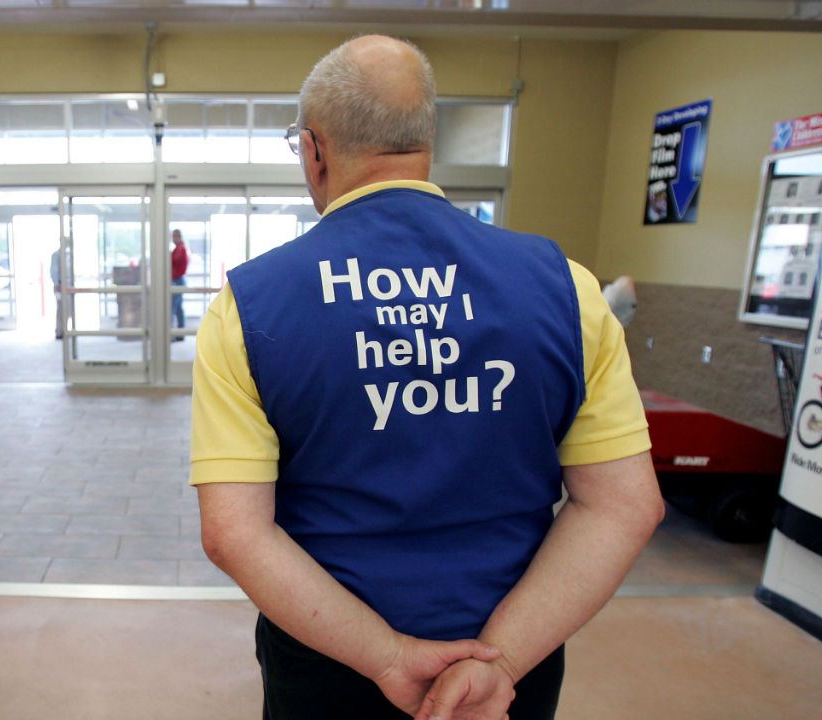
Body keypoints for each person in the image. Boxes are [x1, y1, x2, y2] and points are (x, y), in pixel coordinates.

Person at [190, 35, 664, 720]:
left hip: (330, 667)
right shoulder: (568, 290)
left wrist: (388, 656)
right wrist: (495, 664)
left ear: (312, 150)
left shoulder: (250, 307)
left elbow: (233, 533)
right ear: (425, 142)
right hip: (507, 673)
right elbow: (625, 505)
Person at [171, 229, 189, 341]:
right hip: (177, 280)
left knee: (173, 307)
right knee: (177, 308)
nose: (174, 238)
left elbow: (173, 262)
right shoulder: (178, 249)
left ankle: (173, 333)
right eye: (173, 236)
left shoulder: (181, 250)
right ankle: (179, 332)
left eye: (176, 236)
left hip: (177, 280)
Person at [51, 247, 63, 340]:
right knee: (60, 309)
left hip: (66, 285)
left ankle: (63, 329)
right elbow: (54, 270)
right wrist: (57, 284)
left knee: (65, 309)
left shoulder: (67, 255)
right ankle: (59, 331)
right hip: (60, 285)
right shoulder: (56, 255)